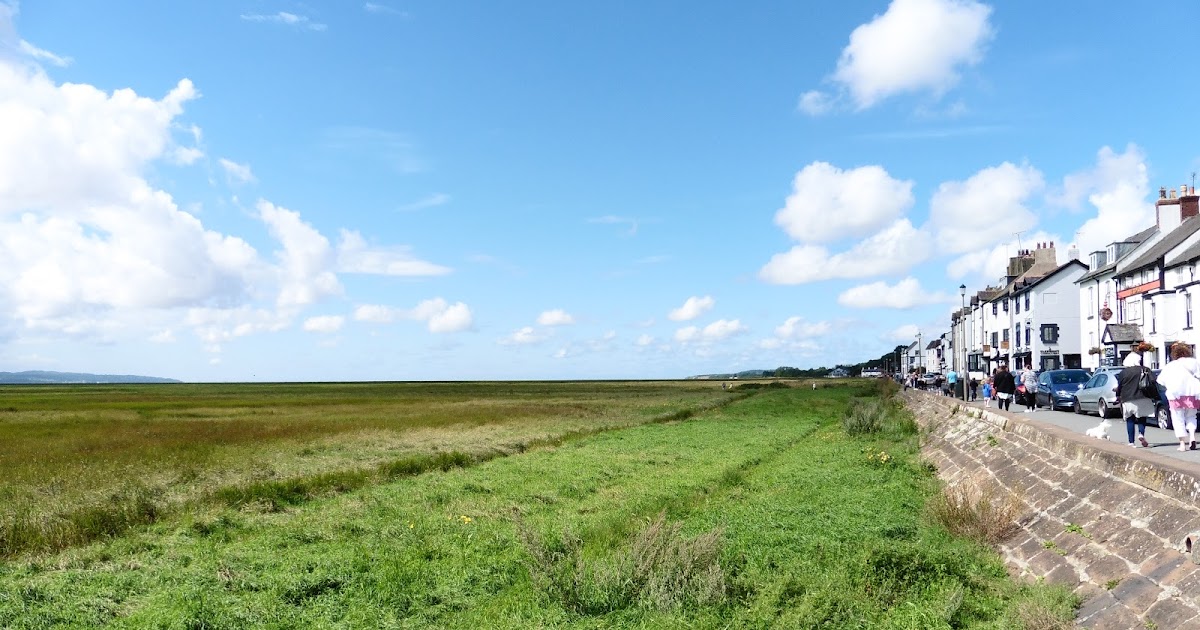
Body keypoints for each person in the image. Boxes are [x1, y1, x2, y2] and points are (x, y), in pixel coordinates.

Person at [1156, 343, 1200, 451]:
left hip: (1175, 395)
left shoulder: (1170, 365)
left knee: (1178, 419)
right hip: (1192, 394)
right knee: (1191, 416)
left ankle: (1182, 444)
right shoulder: (1195, 363)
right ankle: (1192, 436)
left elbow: (1160, 381)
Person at [1115, 348, 1153, 448]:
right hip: (1143, 397)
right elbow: (1153, 382)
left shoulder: (1123, 372)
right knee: (1142, 417)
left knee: (1130, 419)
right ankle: (1141, 434)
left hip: (1128, 398)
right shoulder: (1145, 369)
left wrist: (1118, 396)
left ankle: (1131, 442)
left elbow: (1120, 387)